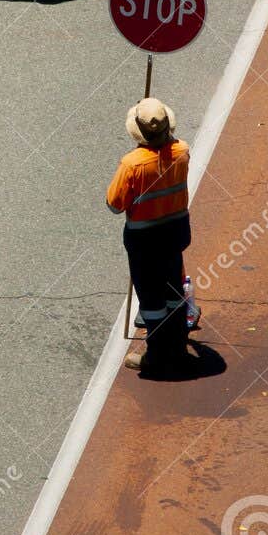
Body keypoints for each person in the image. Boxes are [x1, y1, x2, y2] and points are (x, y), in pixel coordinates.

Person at [107, 98, 191, 375]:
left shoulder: (132, 164)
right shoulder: (182, 151)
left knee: (151, 298)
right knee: (173, 291)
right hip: (176, 232)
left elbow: (114, 204)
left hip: (145, 241)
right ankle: (177, 346)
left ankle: (156, 354)